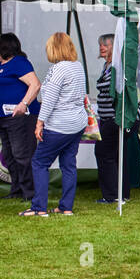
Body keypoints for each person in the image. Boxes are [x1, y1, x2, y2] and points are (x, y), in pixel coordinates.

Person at [26, 32, 88, 217]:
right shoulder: (78, 67)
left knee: (39, 162)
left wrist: (39, 123)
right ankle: (66, 207)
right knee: (68, 165)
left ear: (53, 49)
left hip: (59, 124)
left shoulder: (57, 69)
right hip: (77, 123)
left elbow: (49, 100)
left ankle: (39, 207)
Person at [0, 33, 40, 203]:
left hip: (20, 117)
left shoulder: (19, 63)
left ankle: (30, 191)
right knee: (9, 155)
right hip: (2, 117)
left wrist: (23, 103)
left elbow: (35, 84)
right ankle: (17, 188)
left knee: (21, 154)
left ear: (2, 47)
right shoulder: (2, 66)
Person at [93, 33, 132, 205]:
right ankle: (122, 193)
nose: (102, 48)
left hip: (113, 118)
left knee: (104, 154)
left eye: (105, 45)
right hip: (107, 117)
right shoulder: (107, 66)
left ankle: (112, 195)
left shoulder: (117, 67)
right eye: (101, 44)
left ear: (114, 47)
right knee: (116, 155)